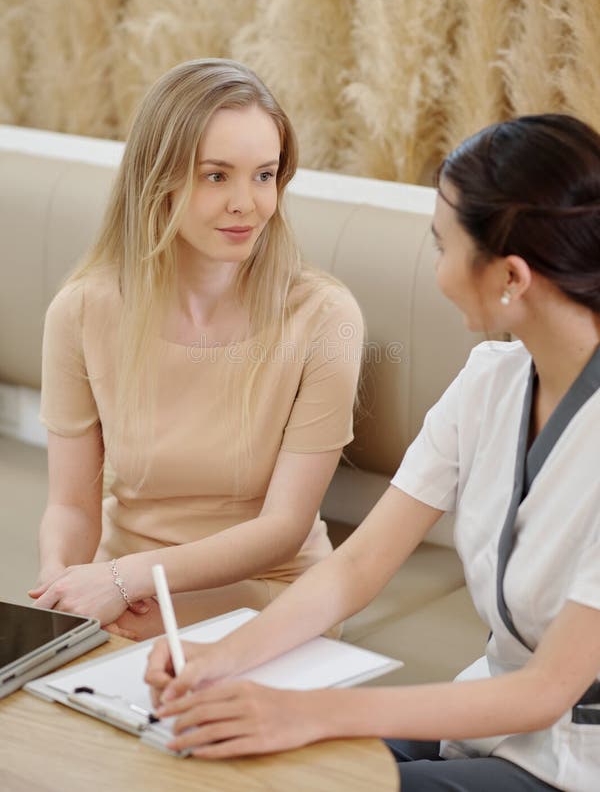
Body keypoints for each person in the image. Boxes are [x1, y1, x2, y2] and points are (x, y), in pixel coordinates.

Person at [145, 114, 600, 792]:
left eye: (443, 246)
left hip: (574, 760)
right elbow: (358, 566)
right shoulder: (491, 382)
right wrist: (220, 658)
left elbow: (546, 691)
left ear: (511, 276)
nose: (439, 271)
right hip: (491, 717)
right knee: (225, 758)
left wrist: (308, 713)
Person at [29, 58, 363, 642]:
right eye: (216, 175)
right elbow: (73, 507)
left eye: (264, 175)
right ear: (157, 178)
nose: (247, 202)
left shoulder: (324, 317)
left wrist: (128, 579)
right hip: (119, 586)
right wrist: (62, 585)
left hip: (270, 589)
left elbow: (284, 528)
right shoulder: (82, 311)